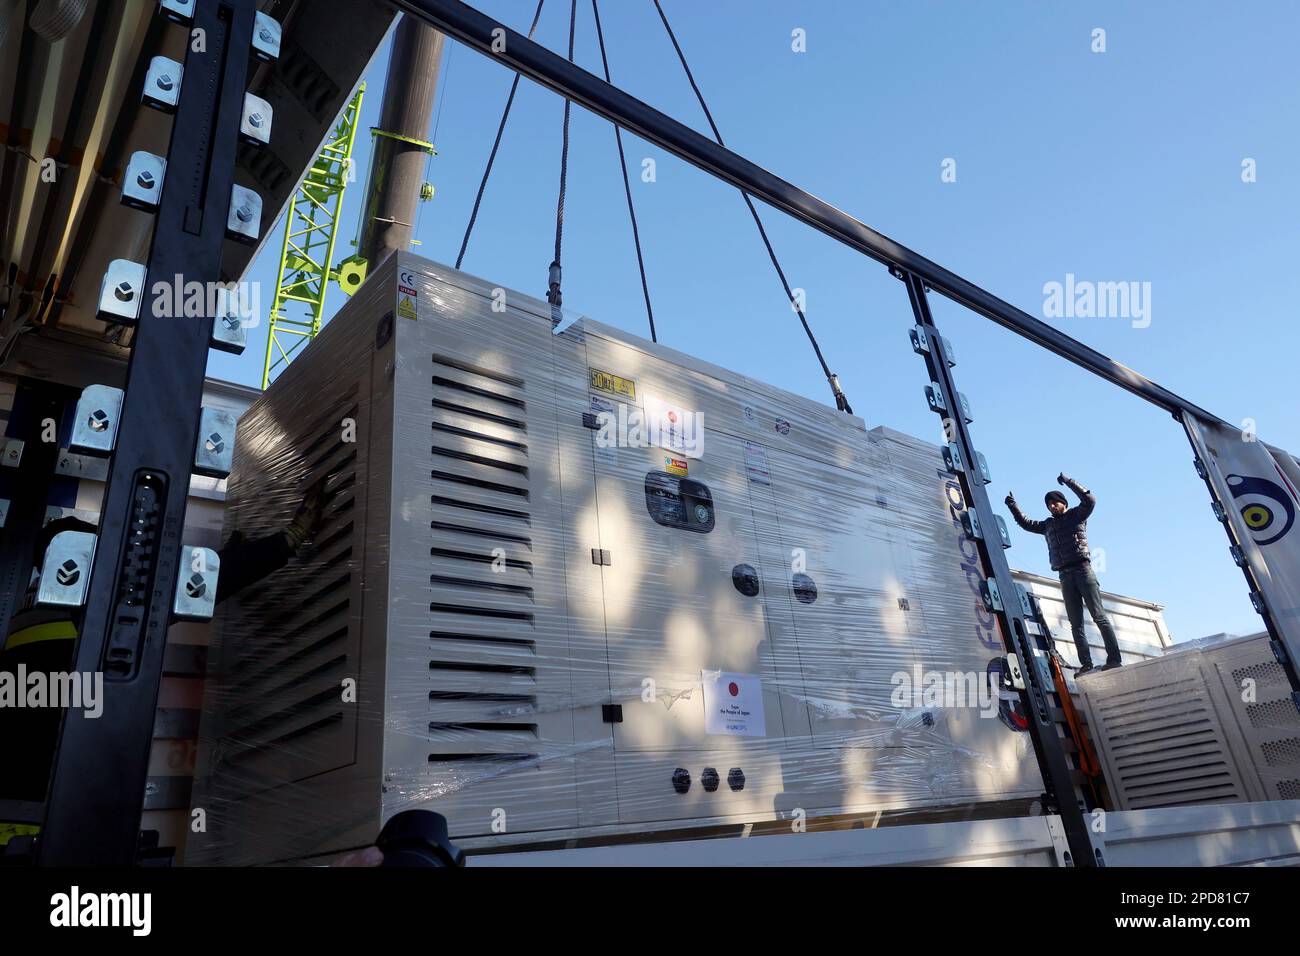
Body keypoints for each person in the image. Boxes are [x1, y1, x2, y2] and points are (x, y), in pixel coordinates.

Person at [0, 478, 328, 813]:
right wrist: (287, 541)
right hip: (47, 801)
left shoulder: (28, 611)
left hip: (24, 791)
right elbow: (182, 590)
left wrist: (223, 560)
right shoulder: (88, 604)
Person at [1004, 473, 1122, 675]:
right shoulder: (1048, 525)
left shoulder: (1077, 515)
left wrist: (1069, 482)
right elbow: (1026, 524)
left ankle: (1115, 659)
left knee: (1098, 617)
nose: (1051, 507)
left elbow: (1090, 500)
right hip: (1065, 576)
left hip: (1083, 571)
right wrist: (1013, 506)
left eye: (1055, 503)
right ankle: (1086, 664)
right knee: (1075, 624)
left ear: (1063, 503)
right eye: (1049, 504)